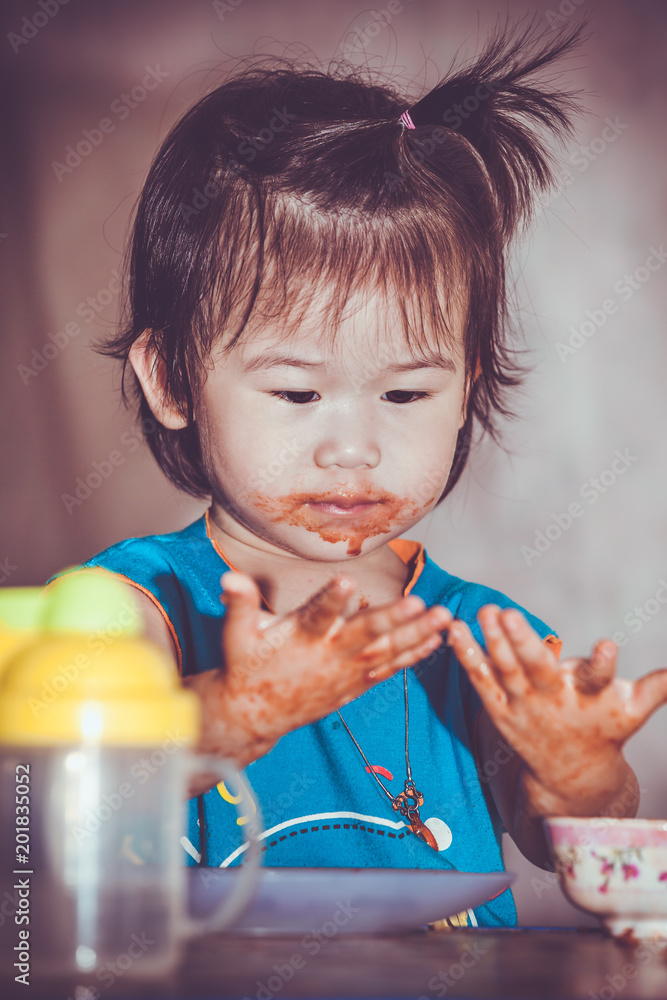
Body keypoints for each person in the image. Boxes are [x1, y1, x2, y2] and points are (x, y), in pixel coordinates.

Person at [51, 19, 667, 927]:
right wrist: (233, 712)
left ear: (467, 393)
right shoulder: (136, 606)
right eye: (298, 395)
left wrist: (584, 775)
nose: (354, 450)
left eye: (407, 395)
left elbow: (578, 853)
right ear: (174, 381)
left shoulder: (478, 639)